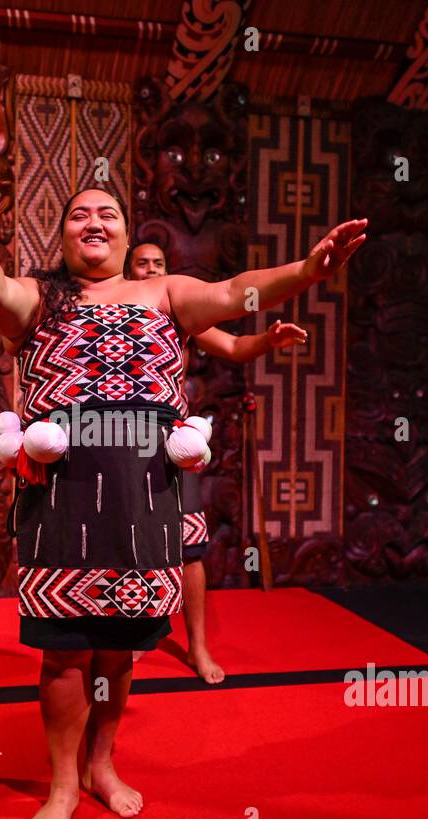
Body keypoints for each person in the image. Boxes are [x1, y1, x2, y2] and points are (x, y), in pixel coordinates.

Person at [0, 175, 366, 819]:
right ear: (64, 234)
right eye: (79, 215)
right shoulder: (40, 297)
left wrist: (305, 271)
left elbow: (235, 292)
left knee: (121, 649)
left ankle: (101, 764)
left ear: (129, 236)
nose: (93, 222)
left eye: (108, 214)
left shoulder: (165, 293)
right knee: (64, 653)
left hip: (145, 492)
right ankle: (63, 781)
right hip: (63, 493)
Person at [125, 242, 308, 684]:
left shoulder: (176, 311)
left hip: (172, 439)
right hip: (120, 439)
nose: (151, 269)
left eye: (158, 263)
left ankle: (198, 646)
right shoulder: (112, 310)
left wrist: (268, 340)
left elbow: (232, 343)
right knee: (127, 542)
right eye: (142, 263)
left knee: (189, 549)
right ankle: (128, 638)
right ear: (130, 270)